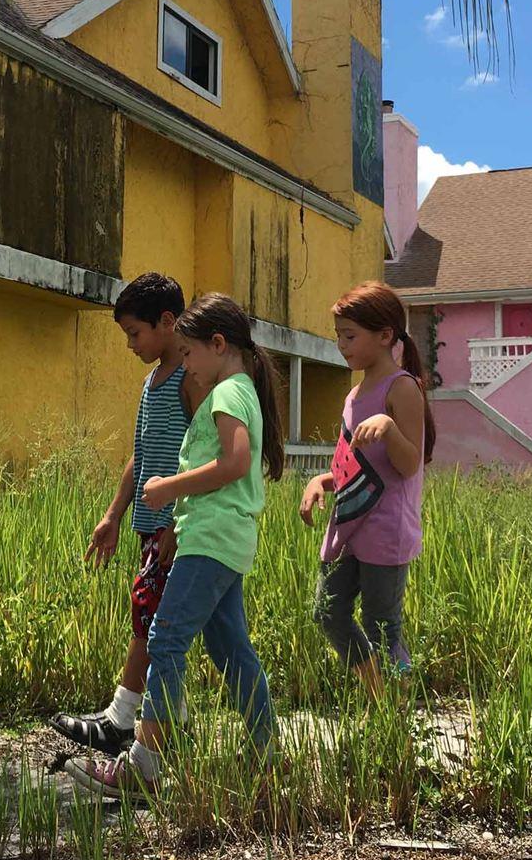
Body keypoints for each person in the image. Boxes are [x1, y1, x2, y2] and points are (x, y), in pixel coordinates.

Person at [65, 292, 284, 798]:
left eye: (188, 353)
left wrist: (169, 488)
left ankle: (142, 767)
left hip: (210, 538)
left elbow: (234, 462)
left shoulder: (228, 394)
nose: (184, 364)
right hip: (223, 539)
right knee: (230, 648)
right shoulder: (238, 390)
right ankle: (266, 754)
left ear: (218, 344)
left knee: (164, 640)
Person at [49, 273, 202, 755]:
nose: (131, 345)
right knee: (156, 618)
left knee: (151, 618)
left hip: (176, 527)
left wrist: (180, 522)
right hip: (148, 525)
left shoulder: (191, 380)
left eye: (135, 333)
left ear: (167, 321)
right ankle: (173, 721)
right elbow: (141, 454)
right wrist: (114, 515)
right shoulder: (151, 382)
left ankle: (121, 719)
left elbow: (204, 454)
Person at [299, 281, 433, 697]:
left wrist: (389, 428)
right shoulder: (354, 394)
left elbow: (408, 465)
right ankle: (378, 692)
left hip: (386, 530)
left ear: (385, 336)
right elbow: (352, 465)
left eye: (350, 336)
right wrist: (321, 481)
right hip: (349, 526)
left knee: (382, 627)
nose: (341, 345)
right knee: (327, 611)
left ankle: (396, 710)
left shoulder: (402, 388)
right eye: (338, 335)